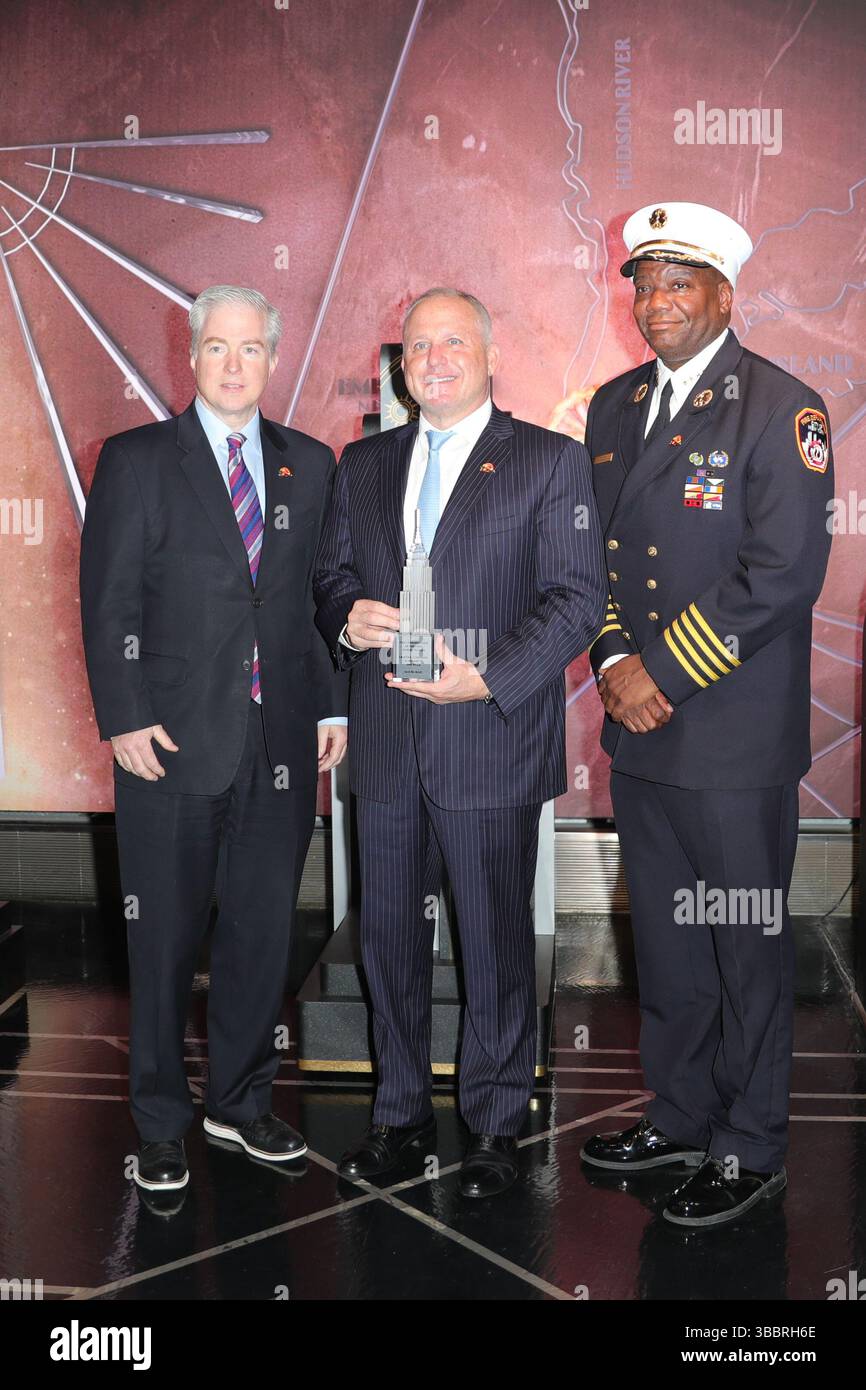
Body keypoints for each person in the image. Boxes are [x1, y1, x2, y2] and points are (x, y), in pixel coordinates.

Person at [314, 288, 606, 1198]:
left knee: (493, 944)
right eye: (417, 345)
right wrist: (345, 619)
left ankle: (493, 1127)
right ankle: (398, 1117)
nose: (432, 358)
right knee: (389, 942)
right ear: (400, 365)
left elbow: (576, 599)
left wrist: (487, 677)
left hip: (488, 736)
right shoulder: (360, 464)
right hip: (390, 746)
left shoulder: (549, 461)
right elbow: (328, 579)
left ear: (488, 353)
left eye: (452, 341)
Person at [579, 203, 834, 1226]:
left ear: (725, 292)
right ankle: (680, 1115)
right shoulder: (609, 407)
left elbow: (780, 576)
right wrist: (608, 657)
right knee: (672, 951)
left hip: (726, 735)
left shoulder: (779, 407)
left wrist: (657, 676)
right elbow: (590, 557)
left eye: (678, 282)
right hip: (640, 736)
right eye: (643, 281)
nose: (656, 301)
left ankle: (749, 1142)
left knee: (740, 946)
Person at [80, 285, 347, 1193]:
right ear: (189, 357)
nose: (234, 365)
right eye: (216, 348)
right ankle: (159, 1120)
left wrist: (335, 707)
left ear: (273, 359)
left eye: (250, 349)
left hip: (279, 746)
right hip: (168, 747)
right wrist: (121, 714)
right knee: (161, 943)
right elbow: (107, 597)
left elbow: (320, 598)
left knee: (260, 935)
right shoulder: (137, 460)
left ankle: (241, 1105)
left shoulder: (310, 466)